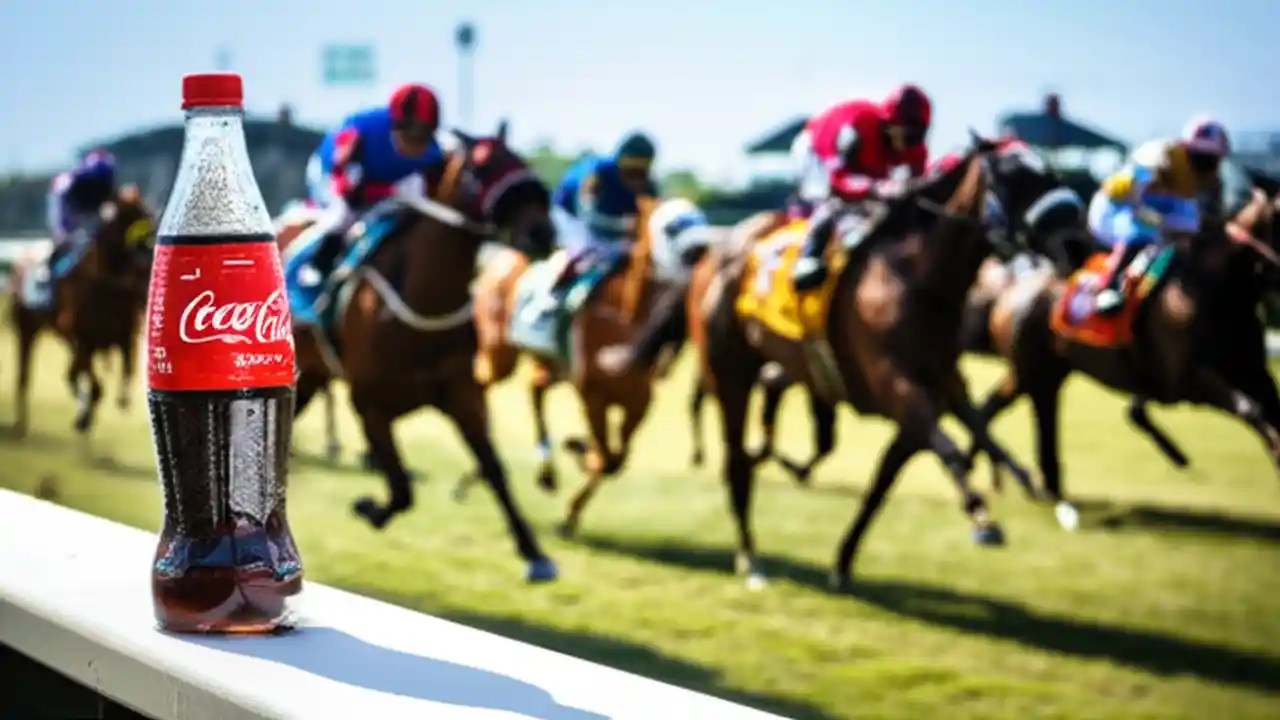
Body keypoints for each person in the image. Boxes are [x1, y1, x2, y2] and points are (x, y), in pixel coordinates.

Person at [297, 82, 446, 289]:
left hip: (380, 184)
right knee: (344, 215)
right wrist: (387, 191)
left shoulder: (434, 154)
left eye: (424, 139)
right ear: (395, 125)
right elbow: (346, 188)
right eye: (410, 136)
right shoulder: (360, 132)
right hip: (328, 173)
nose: (416, 147)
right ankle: (317, 265)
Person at [1087, 114, 1234, 315]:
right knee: (1142, 233)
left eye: (1211, 160)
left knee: (1192, 228)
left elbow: (1203, 219)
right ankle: (1110, 286)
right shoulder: (1155, 160)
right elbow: (1136, 206)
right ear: (1186, 149)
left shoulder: (1211, 180)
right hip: (1115, 206)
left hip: (1159, 208)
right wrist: (1162, 224)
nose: (1206, 167)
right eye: (1201, 158)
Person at [791, 84, 933, 292]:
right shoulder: (856, 130)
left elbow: (918, 187)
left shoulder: (915, 147)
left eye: (919, 136)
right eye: (909, 136)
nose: (913, 145)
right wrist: (876, 189)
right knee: (832, 201)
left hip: (860, 167)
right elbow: (838, 181)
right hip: (815, 150)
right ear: (890, 124)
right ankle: (809, 256)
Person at [537, 131, 659, 314]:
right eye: (631, 172)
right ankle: (554, 293)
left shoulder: (649, 186)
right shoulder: (598, 173)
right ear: (620, 164)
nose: (635, 180)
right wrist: (622, 228)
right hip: (571, 215)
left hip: (611, 225)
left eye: (641, 173)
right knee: (587, 248)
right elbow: (587, 216)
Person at [596, 197, 720, 375]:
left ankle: (640, 355)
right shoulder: (679, 218)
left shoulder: (664, 225)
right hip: (689, 248)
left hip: (679, 252)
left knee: (675, 299)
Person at [33, 149, 119, 305]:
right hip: (65, 207)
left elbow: (109, 203)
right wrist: (66, 232)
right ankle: (48, 280)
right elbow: (63, 212)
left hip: (87, 211)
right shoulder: (69, 185)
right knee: (71, 242)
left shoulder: (105, 179)